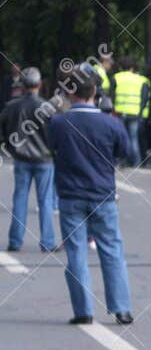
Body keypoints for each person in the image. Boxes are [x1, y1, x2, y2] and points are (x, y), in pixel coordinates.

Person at [46, 65, 134, 325]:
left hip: (71, 195)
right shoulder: (111, 123)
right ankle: (122, 308)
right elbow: (124, 152)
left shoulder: (59, 123)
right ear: (95, 90)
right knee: (112, 250)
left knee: (76, 252)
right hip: (103, 194)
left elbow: (53, 148)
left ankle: (83, 310)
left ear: (70, 92)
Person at [2, 67, 60, 253]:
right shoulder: (47, 107)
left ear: (22, 85)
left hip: (21, 158)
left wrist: (9, 146)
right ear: (40, 84)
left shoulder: (12, 106)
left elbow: (3, 129)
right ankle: (48, 242)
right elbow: (56, 133)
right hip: (44, 159)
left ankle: (15, 241)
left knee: (20, 199)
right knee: (45, 201)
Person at [111, 57, 151, 167]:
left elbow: (112, 95)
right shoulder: (141, 80)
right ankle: (136, 162)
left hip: (119, 112)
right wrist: (140, 112)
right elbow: (144, 98)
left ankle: (121, 161)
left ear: (121, 67)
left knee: (121, 138)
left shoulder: (116, 78)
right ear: (132, 67)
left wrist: (114, 109)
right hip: (135, 113)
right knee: (134, 138)